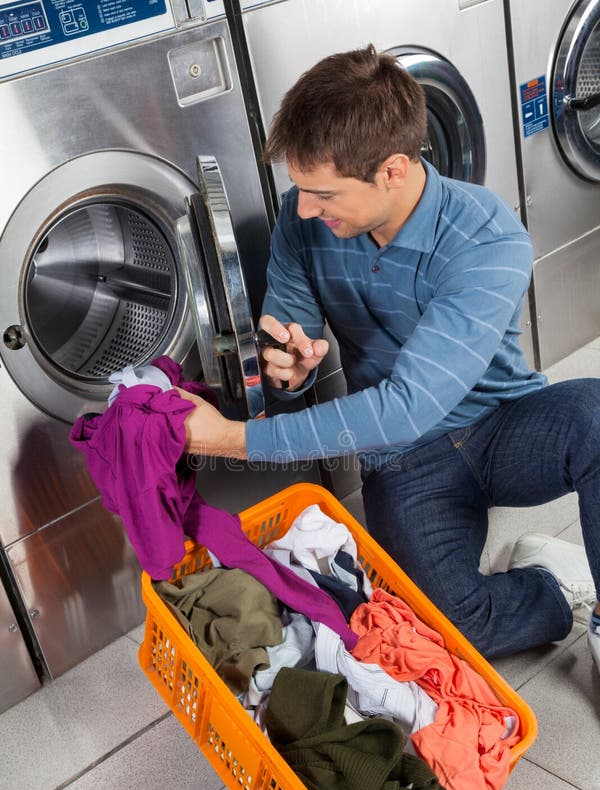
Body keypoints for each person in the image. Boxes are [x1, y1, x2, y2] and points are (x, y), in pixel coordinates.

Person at [180, 45, 600, 663]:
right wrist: (290, 370)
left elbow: (406, 404)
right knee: (448, 631)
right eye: (299, 189)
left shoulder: (486, 237)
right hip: (403, 461)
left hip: (502, 424)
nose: (302, 209)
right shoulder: (307, 225)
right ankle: (552, 589)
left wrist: (230, 439)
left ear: (394, 170)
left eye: (323, 192)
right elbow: (291, 337)